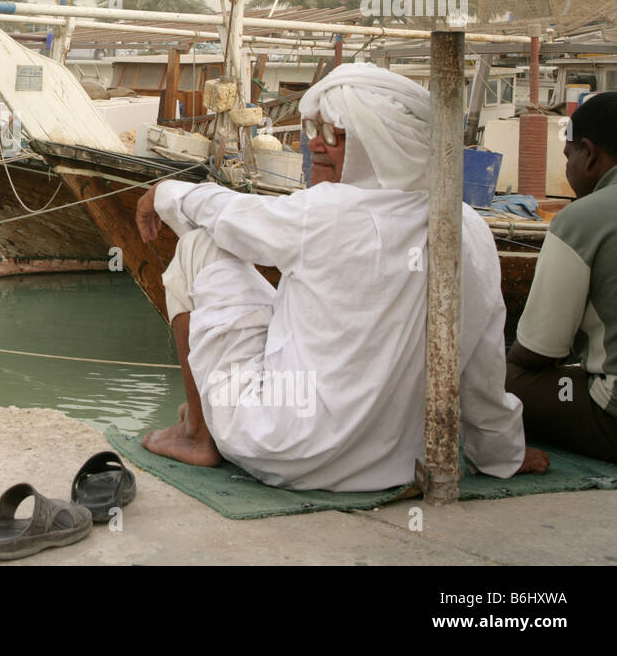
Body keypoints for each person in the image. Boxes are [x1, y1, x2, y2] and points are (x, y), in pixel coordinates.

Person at [135, 62, 548, 491]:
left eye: (337, 135)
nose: (314, 144)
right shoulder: (471, 230)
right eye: (313, 128)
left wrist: (162, 192)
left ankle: (198, 434)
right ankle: (206, 418)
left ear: (384, 145)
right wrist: (502, 454)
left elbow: (224, 214)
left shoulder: (324, 213)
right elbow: (482, 365)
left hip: (279, 447)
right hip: (398, 462)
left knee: (196, 248)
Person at [506, 91, 617, 461]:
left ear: (590, 154)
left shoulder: (583, 219)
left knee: (487, 379)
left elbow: (540, 351)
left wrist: (497, 357)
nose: (567, 169)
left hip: (611, 417)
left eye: (568, 157)